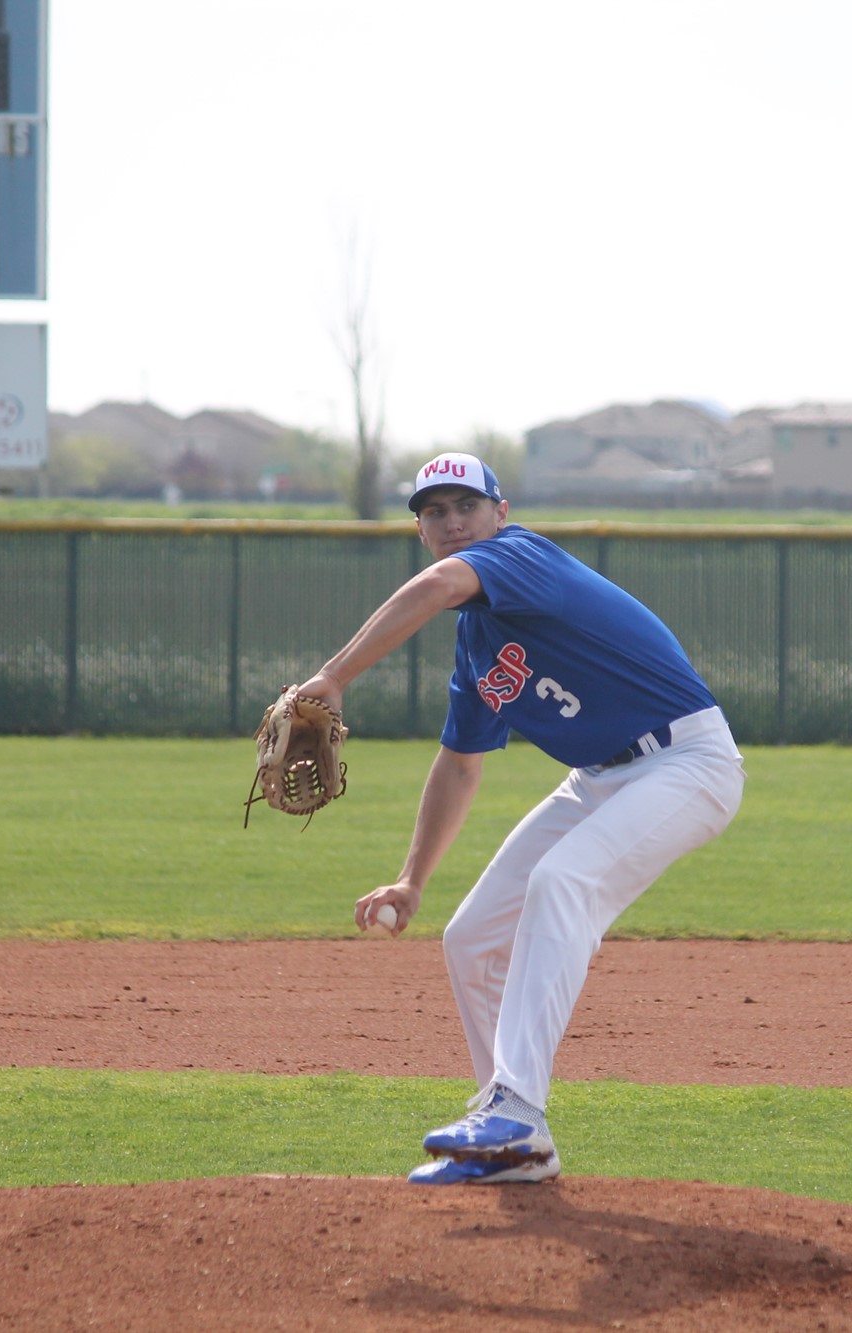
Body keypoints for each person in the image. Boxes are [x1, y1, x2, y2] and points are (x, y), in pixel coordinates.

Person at [289, 451, 745, 1185]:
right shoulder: (476, 647)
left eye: (465, 505)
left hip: (687, 763)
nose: (451, 522)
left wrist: (334, 676)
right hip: (601, 778)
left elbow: (440, 587)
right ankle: (511, 1143)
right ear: (420, 529)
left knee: (563, 881)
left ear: (500, 513)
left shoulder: (520, 556)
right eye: (433, 512)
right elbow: (460, 763)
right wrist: (412, 879)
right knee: (471, 939)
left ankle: (517, 1106)